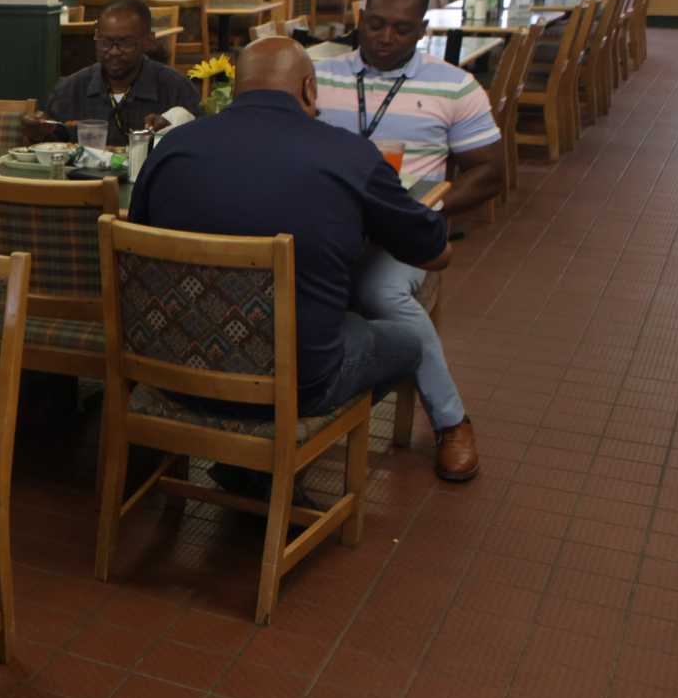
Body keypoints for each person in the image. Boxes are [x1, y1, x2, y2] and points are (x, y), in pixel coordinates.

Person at [131, 37, 449, 428]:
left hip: (169, 370)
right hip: (300, 385)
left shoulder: (172, 147)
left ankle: (244, 464)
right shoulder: (350, 155)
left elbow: (137, 241)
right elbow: (434, 252)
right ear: (309, 88)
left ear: (237, 86)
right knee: (407, 343)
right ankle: (267, 464)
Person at [310, 0, 500, 480]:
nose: (385, 37)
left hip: (401, 235)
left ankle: (451, 421)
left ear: (421, 30)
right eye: (375, 24)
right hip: (325, 228)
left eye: (400, 28)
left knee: (381, 292)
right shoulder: (318, 75)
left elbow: (490, 172)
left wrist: (428, 214)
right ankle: (275, 417)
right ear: (360, 20)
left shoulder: (454, 84)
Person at [27, 0, 201, 146]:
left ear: (149, 41)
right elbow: (50, 147)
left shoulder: (176, 89)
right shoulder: (70, 90)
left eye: (125, 43)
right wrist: (37, 132)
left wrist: (172, 130)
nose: (114, 51)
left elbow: (200, 146)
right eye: (105, 42)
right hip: (82, 184)